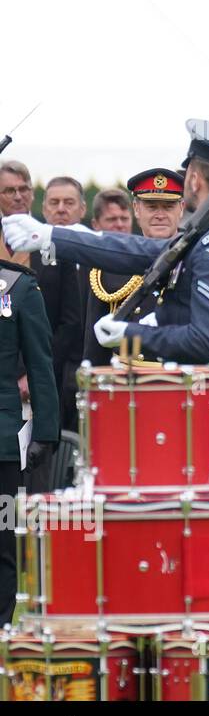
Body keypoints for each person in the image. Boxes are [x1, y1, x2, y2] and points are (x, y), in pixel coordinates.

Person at [3, 122, 209, 488]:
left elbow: (206, 341)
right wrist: (54, 235)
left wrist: (132, 333)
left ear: (193, 180)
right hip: (204, 401)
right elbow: (140, 250)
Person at [1, 163, 81, 460]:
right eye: (10, 190)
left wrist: (34, 374)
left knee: (38, 474)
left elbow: (71, 322)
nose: (19, 196)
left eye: (24, 189)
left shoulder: (50, 241)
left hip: (44, 381)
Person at [0, 255, 60, 625]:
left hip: (2, 439)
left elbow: (40, 363)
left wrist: (45, 430)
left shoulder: (17, 286)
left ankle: (2, 630)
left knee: (2, 544)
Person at [81, 169, 185, 364]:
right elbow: (95, 346)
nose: (160, 214)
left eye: (168, 206)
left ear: (181, 208)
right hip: (126, 383)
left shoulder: (199, 259)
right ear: (136, 209)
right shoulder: (110, 266)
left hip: (184, 381)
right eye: (152, 206)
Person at [40, 176, 90, 430]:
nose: (61, 208)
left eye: (68, 202)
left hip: (90, 372)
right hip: (47, 373)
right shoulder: (28, 257)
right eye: (54, 202)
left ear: (82, 209)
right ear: (44, 209)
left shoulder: (101, 256)